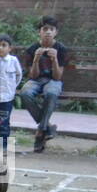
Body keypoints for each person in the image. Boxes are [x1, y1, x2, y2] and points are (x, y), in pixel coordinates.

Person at [19, 16, 69, 153]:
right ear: (39, 32)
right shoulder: (32, 49)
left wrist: (54, 60)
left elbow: (58, 77)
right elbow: (33, 76)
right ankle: (47, 127)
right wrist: (36, 60)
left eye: (51, 29)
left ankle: (41, 131)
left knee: (51, 93)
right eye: (45, 29)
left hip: (53, 80)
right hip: (36, 80)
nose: (48, 32)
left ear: (56, 32)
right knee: (25, 93)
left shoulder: (61, 49)